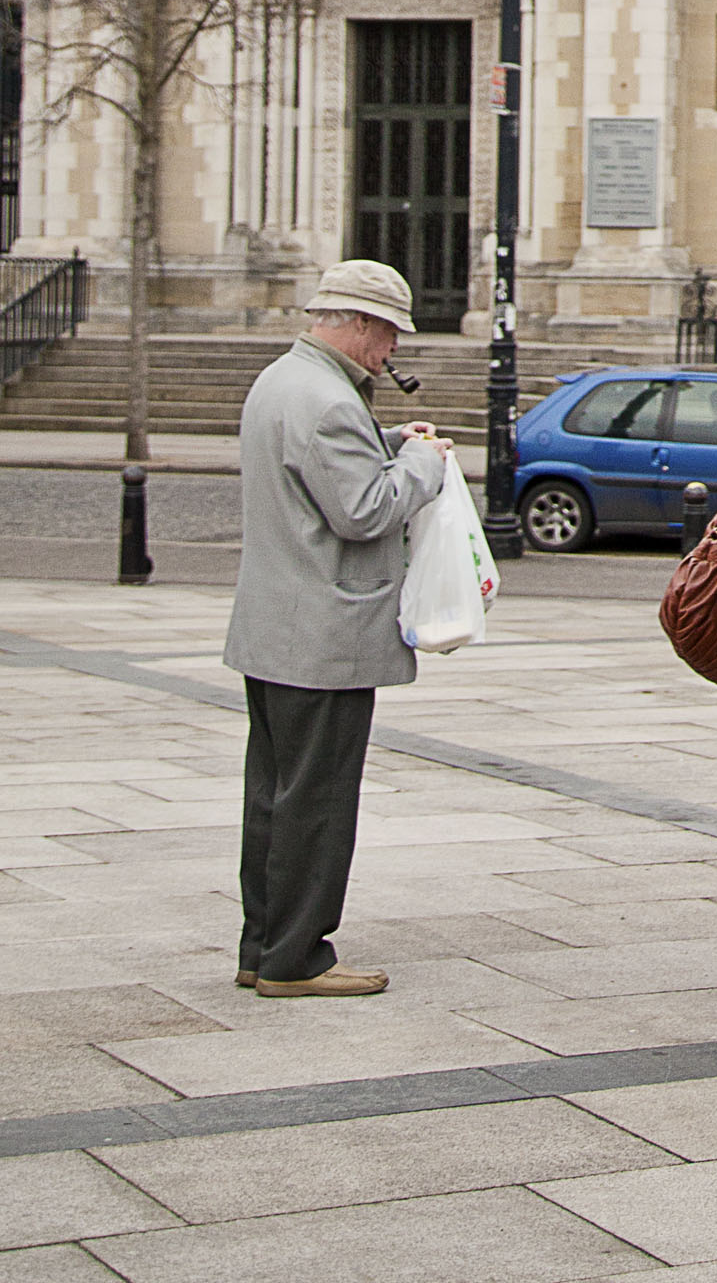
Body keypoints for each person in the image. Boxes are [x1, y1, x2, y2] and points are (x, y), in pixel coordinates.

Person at [222, 257, 447, 998]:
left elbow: (324, 461)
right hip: (324, 634)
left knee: (273, 798)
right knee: (316, 805)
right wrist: (421, 464)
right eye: (389, 334)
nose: (393, 349)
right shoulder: (328, 400)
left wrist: (390, 439)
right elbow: (364, 511)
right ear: (359, 325)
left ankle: (263, 947)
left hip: (276, 629)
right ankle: (296, 959)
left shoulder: (283, 379)